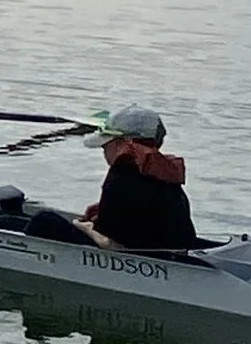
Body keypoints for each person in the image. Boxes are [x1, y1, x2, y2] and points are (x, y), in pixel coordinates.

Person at [81, 106, 199, 253]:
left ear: (122, 143)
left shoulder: (122, 175)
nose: (103, 152)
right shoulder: (163, 172)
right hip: (175, 249)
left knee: (46, 220)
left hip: (142, 259)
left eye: (105, 146)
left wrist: (84, 228)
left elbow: (110, 242)